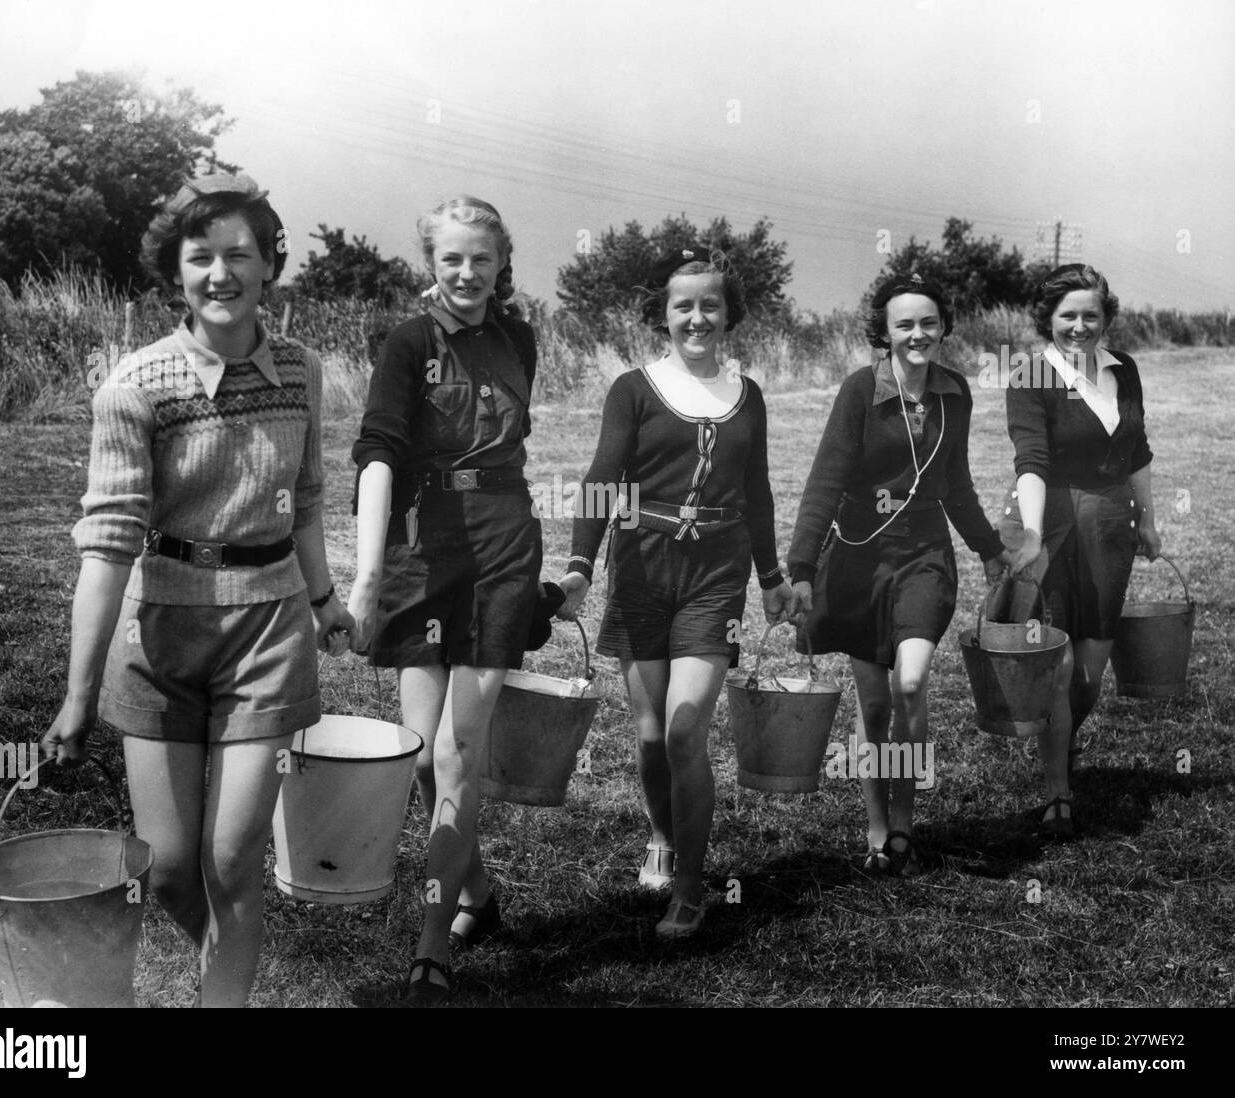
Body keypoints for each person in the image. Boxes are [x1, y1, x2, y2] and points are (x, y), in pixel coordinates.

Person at [42, 174, 354, 1007]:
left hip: (270, 633)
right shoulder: (134, 386)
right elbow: (107, 548)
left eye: (239, 255)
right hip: (160, 641)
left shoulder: (304, 371)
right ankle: (227, 970)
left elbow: (311, 496)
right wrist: (78, 697)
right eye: (201, 257)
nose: (221, 274)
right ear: (175, 272)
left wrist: (324, 600)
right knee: (173, 870)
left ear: (269, 266)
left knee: (230, 861)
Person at [558, 246, 791, 941]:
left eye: (710, 304)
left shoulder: (749, 396)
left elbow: (758, 493)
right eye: (682, 305)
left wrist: (773, 578)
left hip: (715, 579)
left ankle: (690, 888)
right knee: (652, 731)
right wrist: (579, 565)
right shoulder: (633, 388)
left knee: (687, 728)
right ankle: (661, 834)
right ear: (663, 315)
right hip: (641, 572)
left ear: (730, 314)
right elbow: (603, 478)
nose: (697, 316)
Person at [349, 196, 545, 1004]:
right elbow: (379, 452)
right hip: (424, 549)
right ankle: (481, 893)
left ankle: (434, 947)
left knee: (459, 751)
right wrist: (364, 576)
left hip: (502, 544)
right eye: (452, 259)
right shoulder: (406, 342)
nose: (468, 273)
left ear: (503, 262)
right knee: (419, 753)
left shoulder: (520, 338)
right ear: (430, 262)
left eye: (483, 259)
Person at [787, 273, 1010, 876]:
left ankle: (906, 822)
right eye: (904, 324)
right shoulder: (860, 391)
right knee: (874, 703)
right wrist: (801, 568)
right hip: (859, 559)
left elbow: (957, 483)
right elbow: (825, 482)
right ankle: (876, 825)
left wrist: (988, 548)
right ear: (883, 333)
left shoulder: (955, 392)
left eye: (928, 322)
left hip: (923, 558)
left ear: (943, 327)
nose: (917, 334)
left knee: (911, 684)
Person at [1004, 263, 1160, 837]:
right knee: (1058, 657)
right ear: (1048, 319)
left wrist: (1148, 519)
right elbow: (1031, 461)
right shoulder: (1030, 373)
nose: (1079, 325)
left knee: (1090, 671)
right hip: (1050, 518)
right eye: (1067, 315)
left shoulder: (1126, 370)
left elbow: (1137, 448)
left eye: (1090, 314)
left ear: (1106, 317)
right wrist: (1032, 533)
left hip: (1110, 523)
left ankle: (1062, 745)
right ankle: (1057, 792)